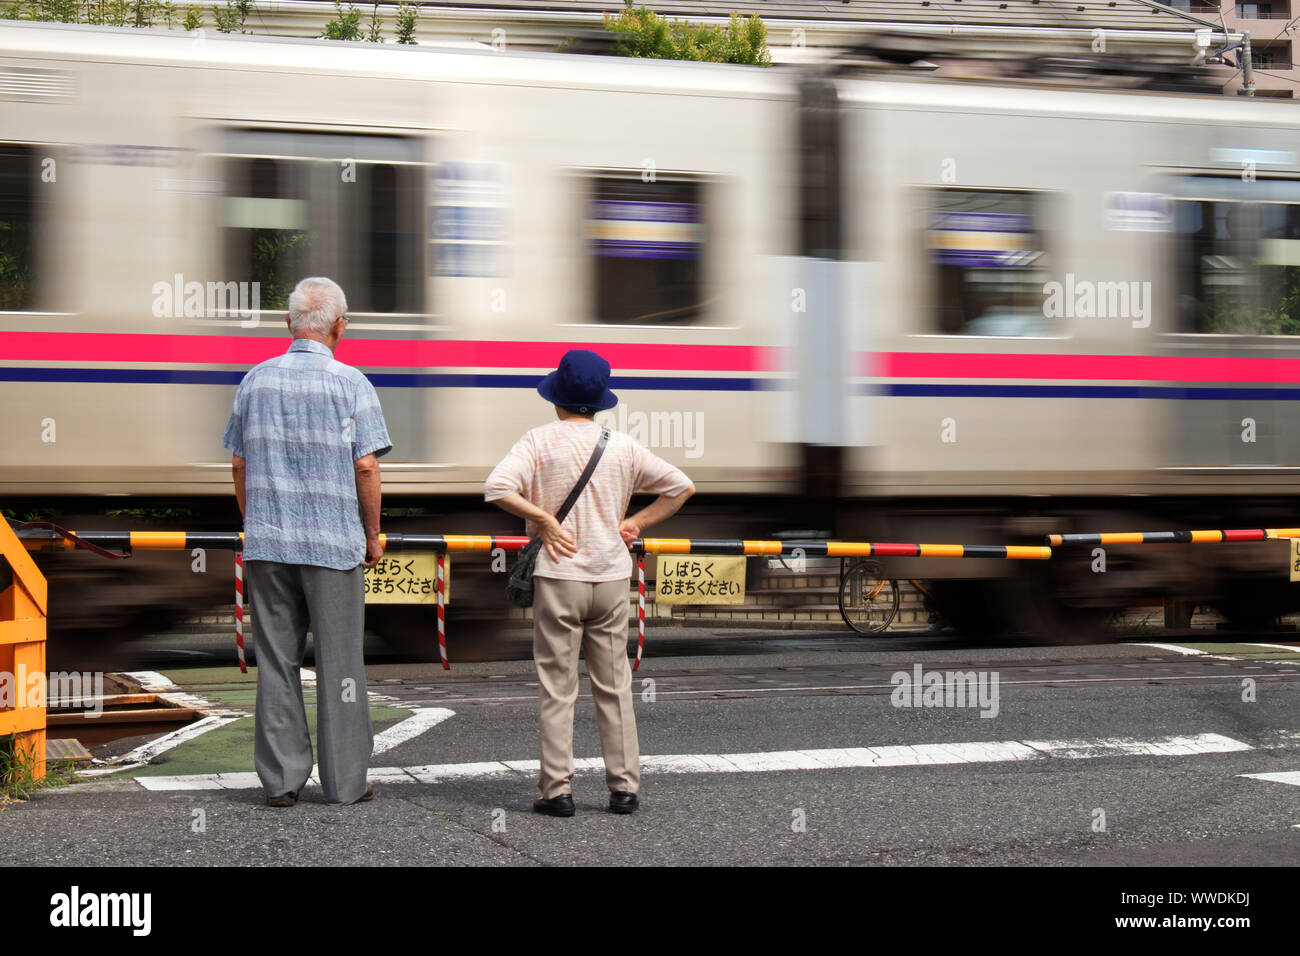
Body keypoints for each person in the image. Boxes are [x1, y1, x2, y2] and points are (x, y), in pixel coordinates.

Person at [485, 349, 694, 816]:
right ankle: (624, 788)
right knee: (615, 684)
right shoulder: (621, 445)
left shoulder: (538, 441)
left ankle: (557, 792)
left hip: (560, 577)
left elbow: (497, 488)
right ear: (599, 400)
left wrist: (542, 519)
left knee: (559, 686)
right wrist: (636, 522)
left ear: (556, 396)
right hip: (611, 578)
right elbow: (681, 486)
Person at [222, 276, 392, 807]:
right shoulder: (351, 383)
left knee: (277, 660)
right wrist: (371, 534)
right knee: (341, 664)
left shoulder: (255, 380)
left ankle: (281, 781)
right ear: (340, 327)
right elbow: (365, 466)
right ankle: (345, 783)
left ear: (288, 324)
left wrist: (260, 523)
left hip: (269, 546)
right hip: (333, 544)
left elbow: (238, 462)